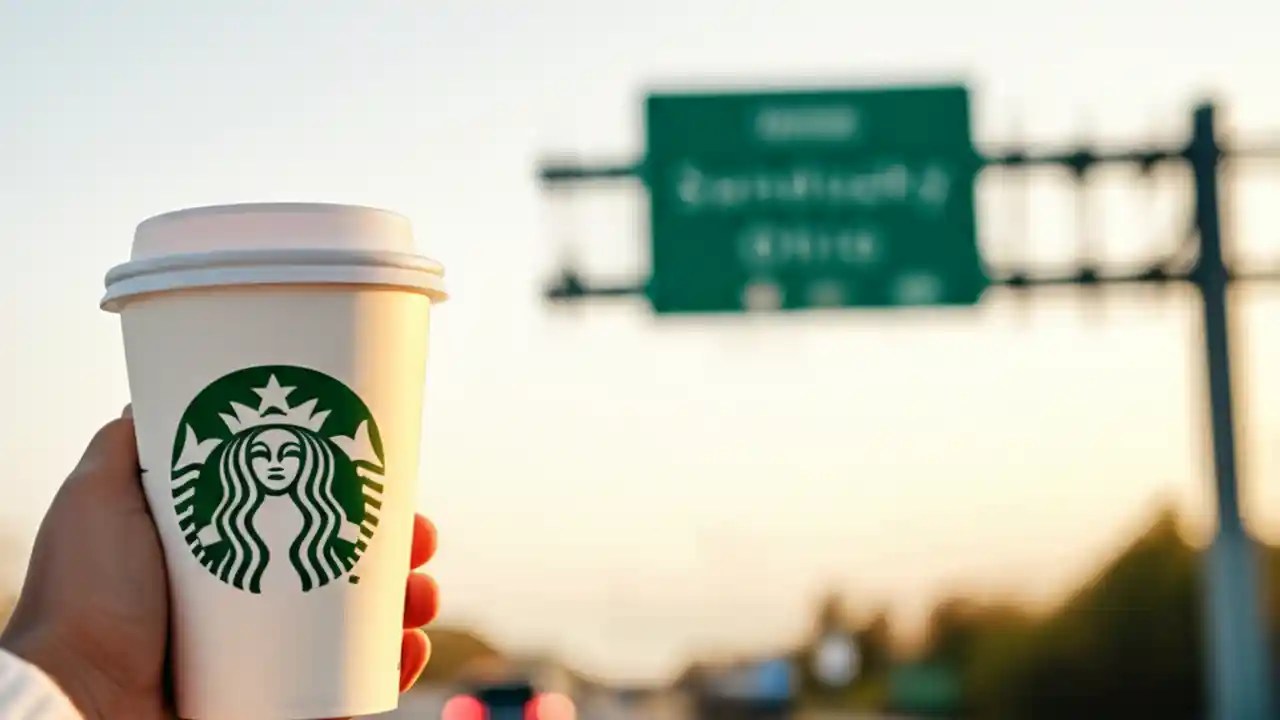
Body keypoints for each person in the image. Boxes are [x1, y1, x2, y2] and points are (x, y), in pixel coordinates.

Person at [0, 411, 440, 719]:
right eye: (259, 455)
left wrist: (77, 677)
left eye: (288, 454)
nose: (274, 466)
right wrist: (79, 671)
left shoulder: (324, 532)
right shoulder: (227, 529)